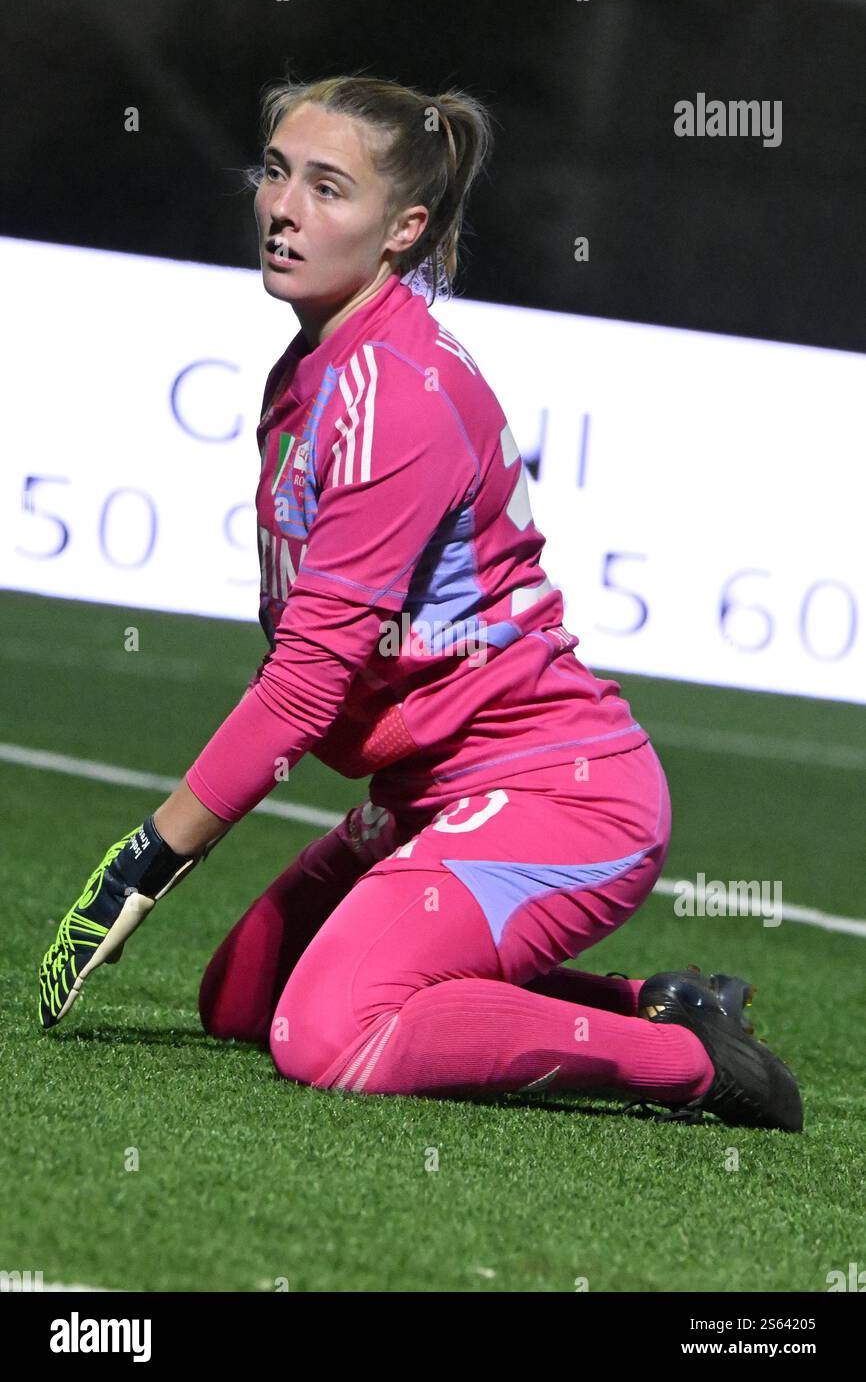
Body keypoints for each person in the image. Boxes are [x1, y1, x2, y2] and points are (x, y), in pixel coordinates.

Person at [38, 73, 802, 1131]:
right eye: (274, 173)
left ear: (402, 229)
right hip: (427, 789)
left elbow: (305, 685)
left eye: (325, 188)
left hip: (561, 800)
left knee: (329, 1031)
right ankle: (662, 1003)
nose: (282, 208)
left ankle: (692, 1065)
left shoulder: (390, 392)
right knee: (242, 1003)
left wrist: (150, 855)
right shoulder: (316, 359)